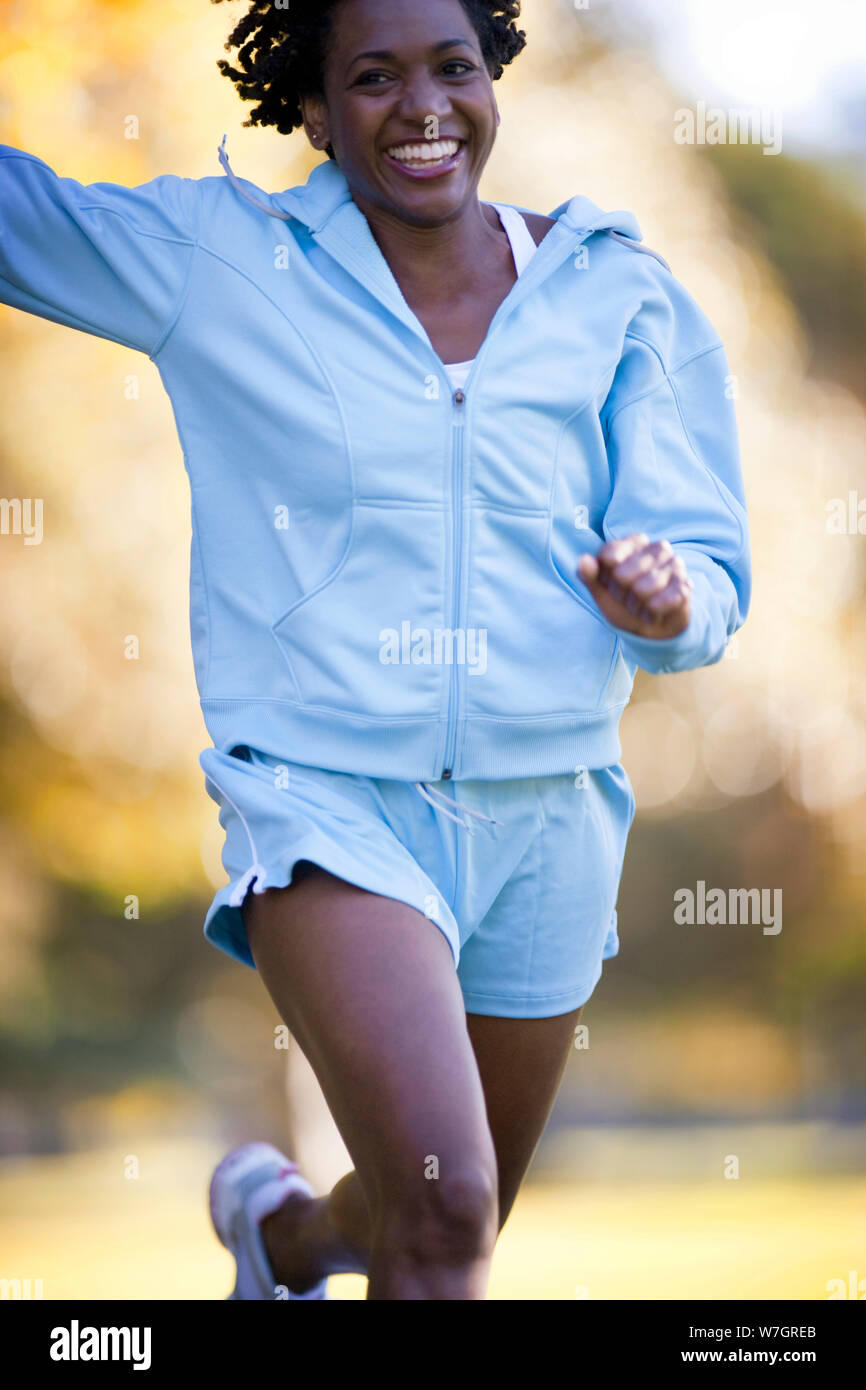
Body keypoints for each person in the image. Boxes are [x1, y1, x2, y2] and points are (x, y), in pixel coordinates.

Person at [0, 0, 751, 1300]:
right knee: (447, 1213)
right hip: (328, 798)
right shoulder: (223, 260)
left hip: (549, 817)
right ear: (312, 108)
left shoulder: (616, 289)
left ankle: (284, 1239)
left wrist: (668, 603)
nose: (423, 107)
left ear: (492, 76)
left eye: (453, 66)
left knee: (439, 1208)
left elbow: (708, 564)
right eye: (373, 77)